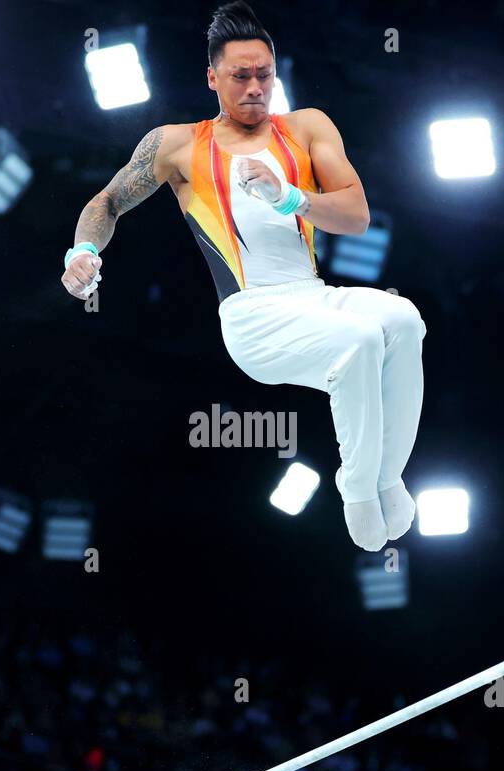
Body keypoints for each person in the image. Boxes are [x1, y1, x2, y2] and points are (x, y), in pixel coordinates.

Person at [61, 2, 426, 551]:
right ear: (212, 78)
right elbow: (108, 201)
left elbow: (356, 216)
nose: (256, 87)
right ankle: (355, 485)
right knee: (359, 340)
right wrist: (82, 251)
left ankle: (384, 477)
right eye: (240, 76)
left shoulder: (307, 127)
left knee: (403, 319)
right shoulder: (177, 145)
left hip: (314, 296)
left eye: (265, 75)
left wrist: (291, 198)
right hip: (251, 316)